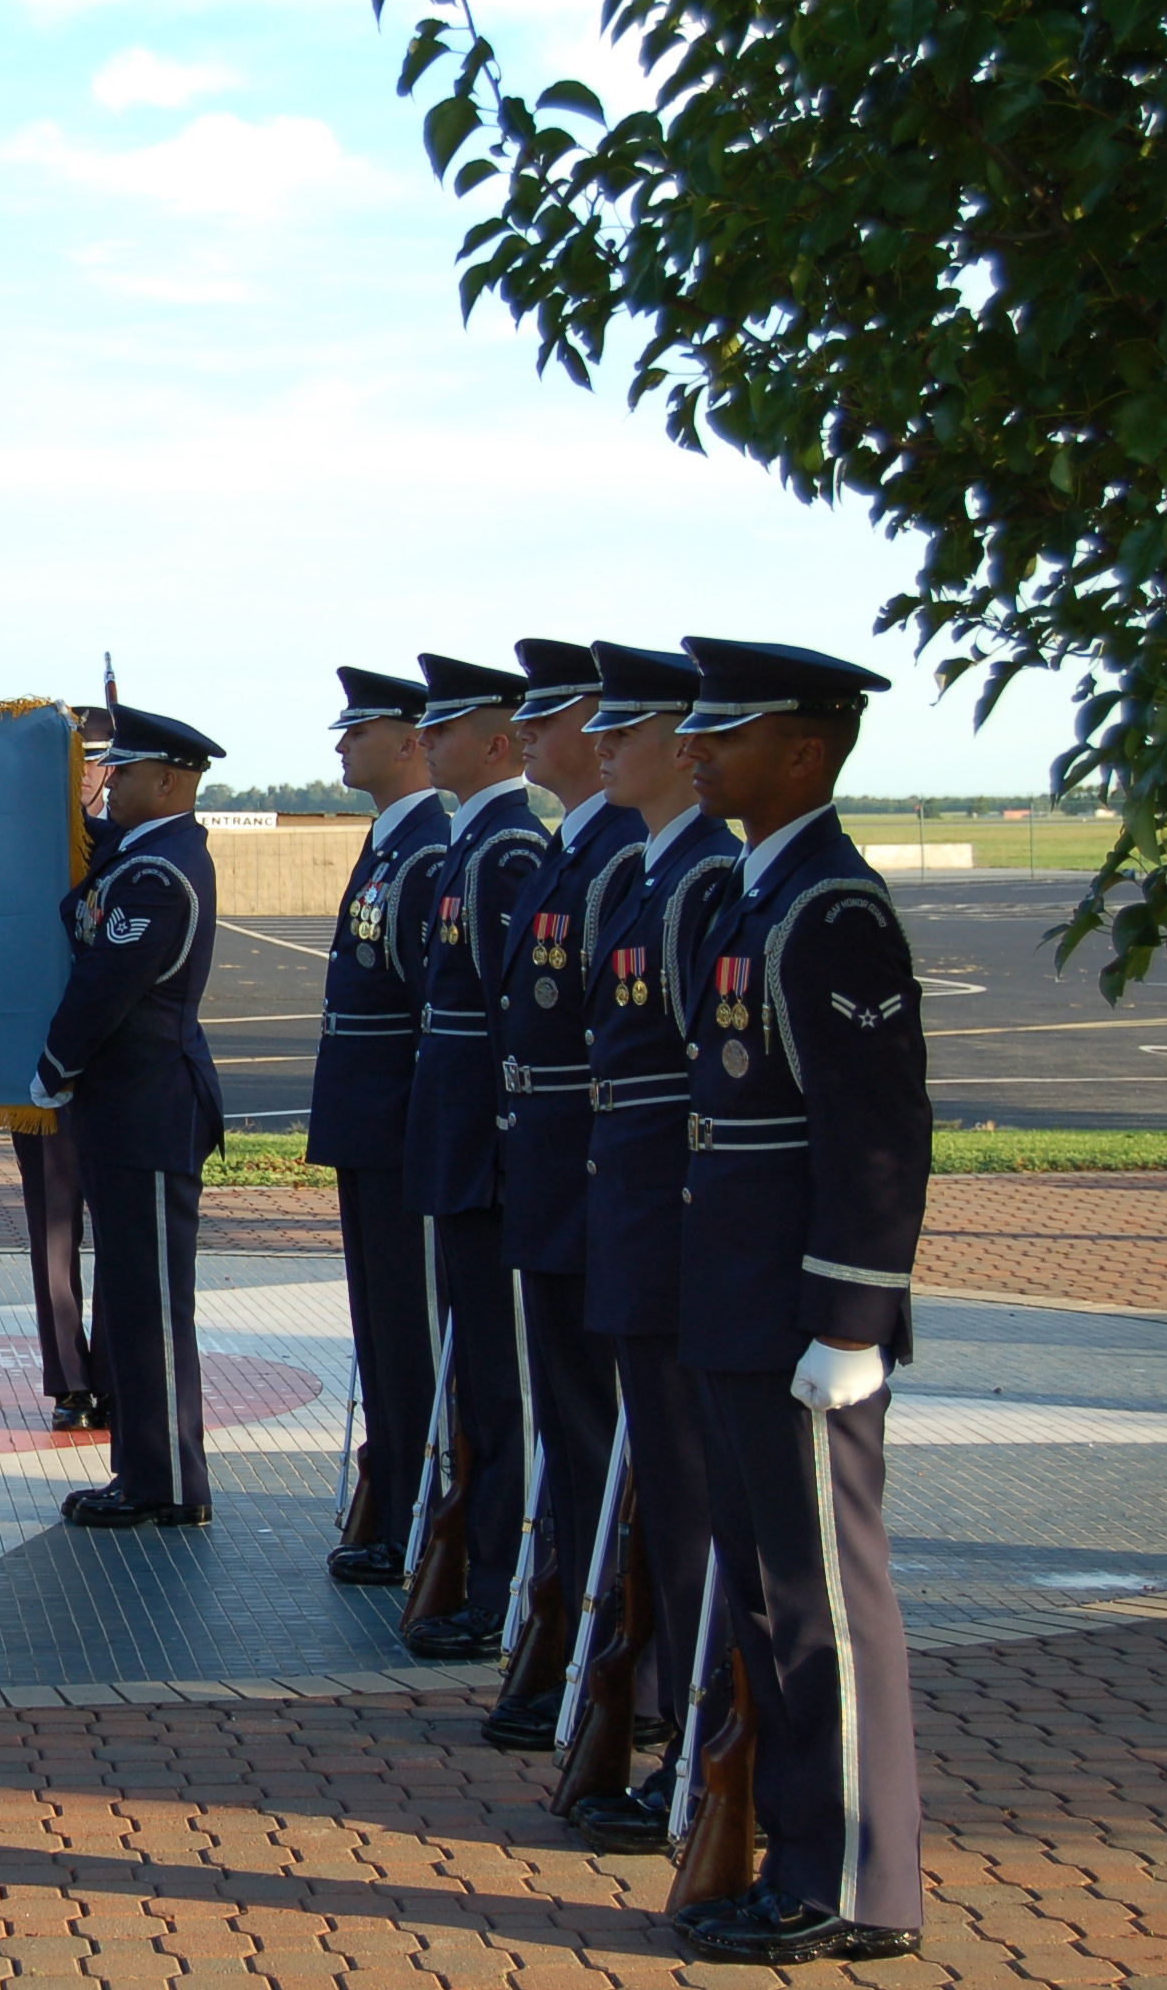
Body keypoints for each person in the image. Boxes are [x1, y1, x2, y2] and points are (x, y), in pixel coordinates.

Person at [665, 638, 925, 1967]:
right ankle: (796, 1856)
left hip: (799, 1316)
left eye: (728, 734)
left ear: (805, 756)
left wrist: (851, 1322)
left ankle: (858, 1884)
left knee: (825, 1598)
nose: (697, 752)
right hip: (735, 1297)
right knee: (770, 1600)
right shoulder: (748, 896)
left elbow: (877, 1133)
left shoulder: (831, 910)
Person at [565, 639, 737, 1852]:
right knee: (662, 1500)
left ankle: (697, 1740)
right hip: (625, 1205)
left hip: (669, 1218)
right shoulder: (648, 868)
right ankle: (674, 1730)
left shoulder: (696, 883)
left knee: (687, 1500)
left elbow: (703, 1078)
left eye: (622, 734)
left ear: (680, 747)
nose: (599, 746)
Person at [480, 638, 653, 1750]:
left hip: (588, 1165)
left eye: (558, 718)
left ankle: (613, 1664)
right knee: (570, 1425)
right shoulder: (572, 849)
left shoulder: (623, 859)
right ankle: (585, 1652)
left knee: (596, 1430)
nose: (536, 734)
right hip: (543, 1158)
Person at [33, 702, 227, 1526]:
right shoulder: (143, 853)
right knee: (133, 1297)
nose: (110, 784)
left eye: (127, 772)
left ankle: (170, 1484)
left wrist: (54, 1066)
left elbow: (107, 984)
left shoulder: (161, 874)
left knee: (150, 1304)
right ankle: (144, 1470)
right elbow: (90, 841)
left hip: (149, 1108)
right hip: (126, 1110)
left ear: (171, 781)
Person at [398, 652, 550, 1660]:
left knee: (502, 1385)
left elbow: (510, 1023)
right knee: (475, 1382)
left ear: (494, 742)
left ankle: (504, 1586)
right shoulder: (471, 841)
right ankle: (486, 1575)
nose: (428, 743)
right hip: (455, 1149)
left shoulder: (502, 850)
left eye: (444, 730)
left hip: (485, 1156)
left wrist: (496, 1148)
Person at [311, 669, 448, 1587]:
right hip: (369, 1129)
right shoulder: (392, 844)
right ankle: (394, 1497)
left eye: (358, 731)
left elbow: (433, 1014)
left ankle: (420, 1514)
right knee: (383, 1332)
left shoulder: (430, 851)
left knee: (411, 1337)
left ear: (412, 741)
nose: (340, 746)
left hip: (402, 1131)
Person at [15, 703, 117, 1431]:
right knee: (53, 1231)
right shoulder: (23, 848)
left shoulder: (128, 848)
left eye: (91, 760)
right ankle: (69, 1378)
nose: (80, 774)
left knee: (115, 1232)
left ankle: (113, 1369)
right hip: (42, 1065)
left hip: (112, 1072)